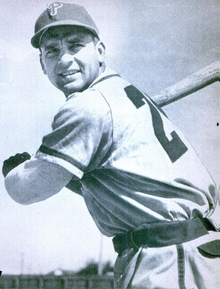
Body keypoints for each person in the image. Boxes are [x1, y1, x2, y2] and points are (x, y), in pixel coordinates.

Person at [2, 2, 220, 288]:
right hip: (193, 251)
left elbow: (27, 190)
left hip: (167, 258)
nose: (64, 59)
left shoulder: (87, 105)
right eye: (52, 51)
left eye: (75, 45)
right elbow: (120, 189)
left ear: (101, 51)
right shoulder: (124, 92)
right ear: (42, 63)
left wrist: (14, 171)